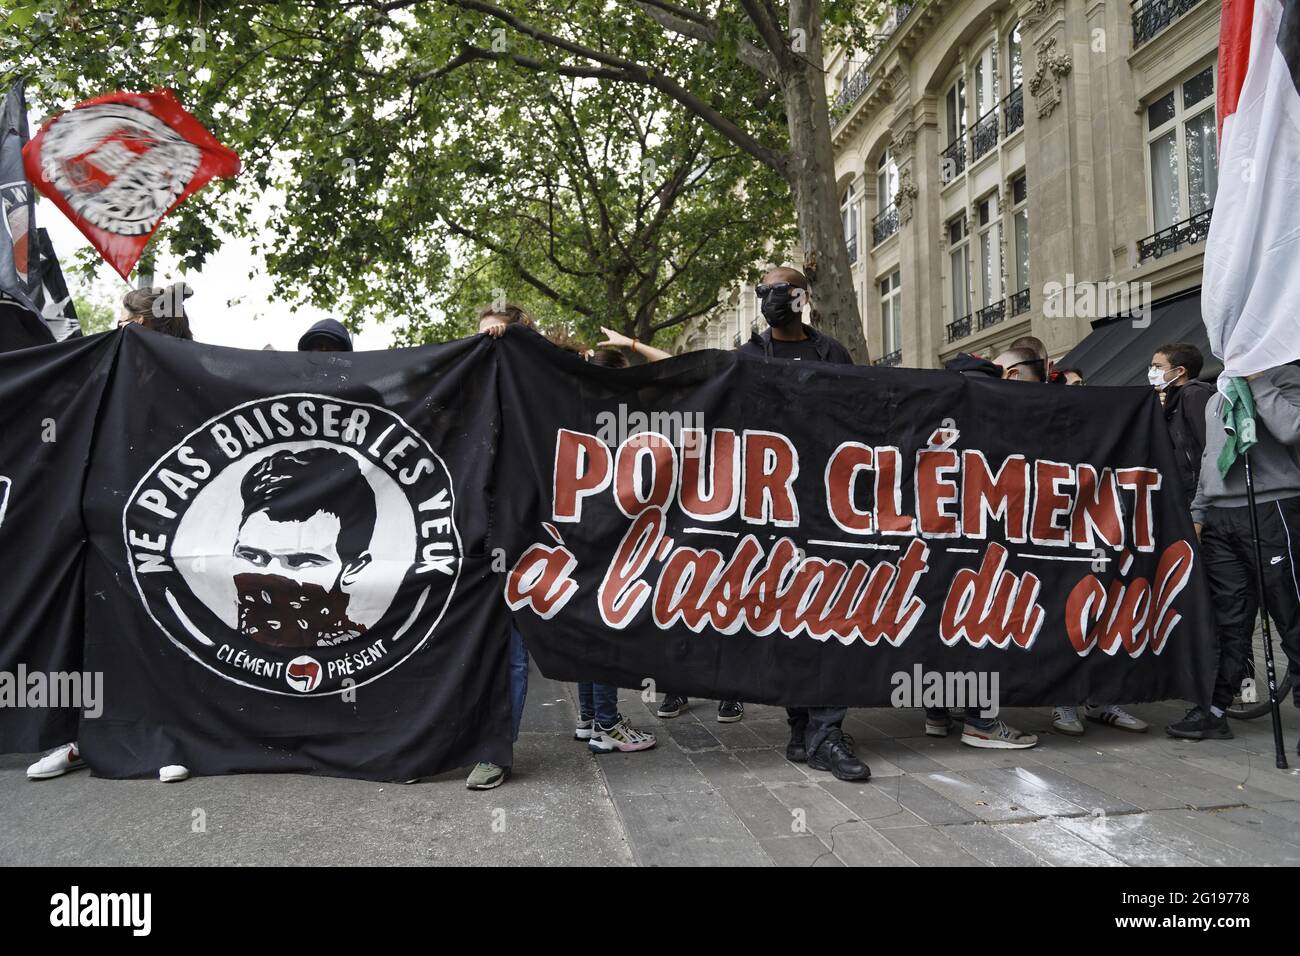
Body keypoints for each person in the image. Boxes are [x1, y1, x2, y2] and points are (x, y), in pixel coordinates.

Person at [30, 283, 197, 784]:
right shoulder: (100, 368)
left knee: (165, 628)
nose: (116, 325)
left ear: (140, 325)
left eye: (123, 318)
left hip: (169, 530)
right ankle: (80, 737)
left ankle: (174, 738)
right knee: (96, 627)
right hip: (103, 524)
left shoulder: (193, 374)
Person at [730, 265, 868, 780]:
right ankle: (800, 727)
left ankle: (827, 733)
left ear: (801, 296)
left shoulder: (831, 352)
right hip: (773, 513)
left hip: (830, 509)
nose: (769, 298)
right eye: (762, 291)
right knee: (789, 619)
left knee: (832, 614)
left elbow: (862, 411)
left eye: (778, 290)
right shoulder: (749, 356)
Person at [994, 349, 1149, 737]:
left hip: (1083, 525)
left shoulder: (1066, 405)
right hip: (1034, 531)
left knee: (1099, 608)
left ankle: (1101, 699)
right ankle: (1064, 702)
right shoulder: (1004, 408)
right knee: (1056, 613)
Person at [1168, 364, 1300, 744]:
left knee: (1291, 612)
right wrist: (1198, 513)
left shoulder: (1284, 378)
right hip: (1222, 517)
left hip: (1273, 508)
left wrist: (1258, 382)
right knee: (1228, 616)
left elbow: (1291, 428)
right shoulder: (1216, 394)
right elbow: (1212, 456)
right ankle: (1214, 708)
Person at [466, 302, 539, 789]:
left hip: (519, 536)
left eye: (499, 339)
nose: (488, 347)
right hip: (464, 536)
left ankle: (496, 751)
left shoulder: (537, 394)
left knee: (512, 649)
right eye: (480, 339)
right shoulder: (462, 388)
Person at [575, 347, 659, 754]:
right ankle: (607, 724)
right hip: (612, 533)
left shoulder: (572, 409)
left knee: (586, 627)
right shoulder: (626, 417)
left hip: (576, 533)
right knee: (605, 626)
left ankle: (591, 717)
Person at [231, 448, 375, 648]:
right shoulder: (206, 643)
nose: (272, 576)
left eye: (301, 561)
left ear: (351, 570)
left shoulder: (369, 655)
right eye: (253, 557)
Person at [1151, 343, 1213, 509]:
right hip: (1181, 488)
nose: (1152, 372)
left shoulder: (1195, 394)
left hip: (1198, 490)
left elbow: (1207, 443)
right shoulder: (1168, 399)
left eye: (1158, 367)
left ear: (1180, 371)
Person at [117, 282, 195, 340]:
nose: (119, 319)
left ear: (138, 320)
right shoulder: (190, 357)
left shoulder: (129, 359)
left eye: (122, 314)